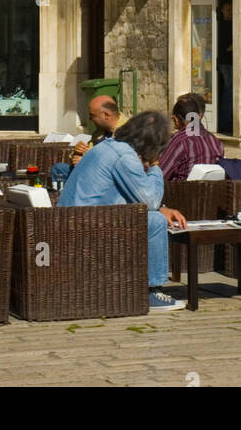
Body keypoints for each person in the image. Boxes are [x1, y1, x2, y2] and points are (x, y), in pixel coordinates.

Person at [58, 111, 188, 311]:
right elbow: (150, 200)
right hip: (85, 227)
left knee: (154, 215)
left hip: (72, 221)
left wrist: (162, 208)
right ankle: (150, 291)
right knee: (155, 222)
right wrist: (154, 167)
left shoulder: (108, 148)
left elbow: (127, 196)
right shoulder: (124, 156)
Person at [159, 93, 224, 180]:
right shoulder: (215, 142)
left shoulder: (179, 141)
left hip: (182, 192)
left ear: (176, 119)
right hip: (211, 191)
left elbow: (160, 176)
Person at [217, 1, 233, 133]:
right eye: (228, 10)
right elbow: (224, 47)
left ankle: (225, 121)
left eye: (232, 10)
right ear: (222, 11)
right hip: (226, 63)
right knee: (229, 92)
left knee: (228, 91)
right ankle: (224, 122)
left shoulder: (229, 25)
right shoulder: (222, 26)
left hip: (227, 63)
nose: (230, 12)